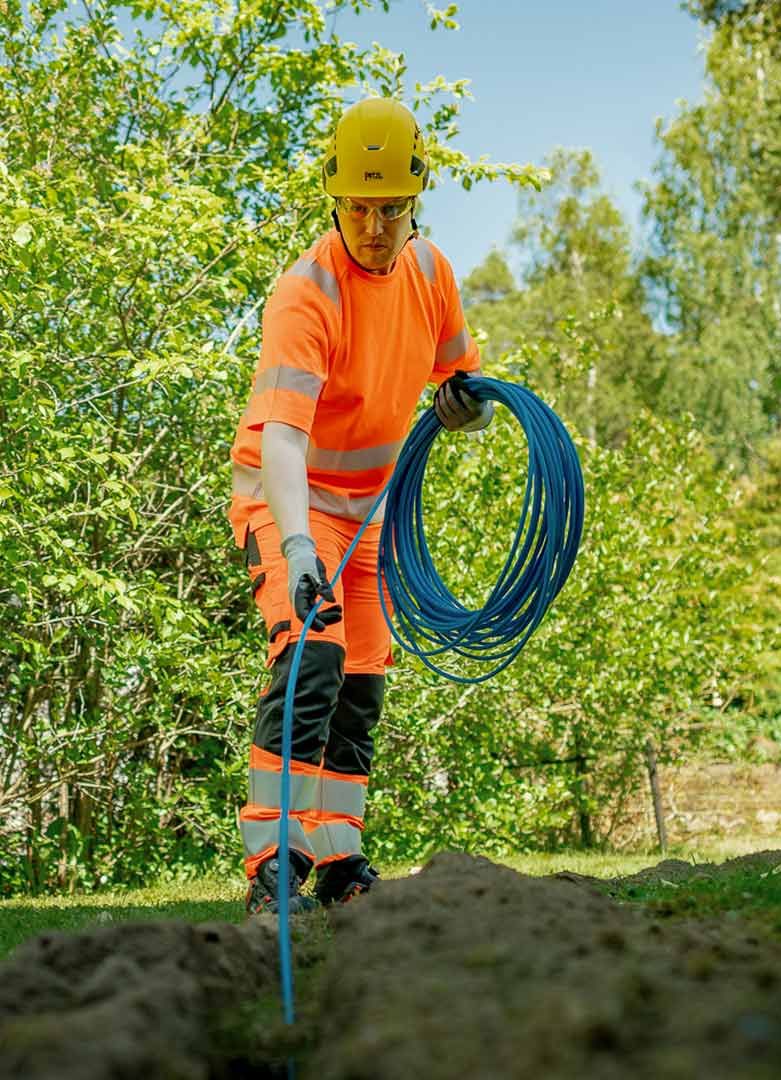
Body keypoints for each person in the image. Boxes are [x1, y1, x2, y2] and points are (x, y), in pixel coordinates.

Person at [226, 97, 492, 916]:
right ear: (334, 199)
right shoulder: (306, 295)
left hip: (368, 513)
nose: (374, 226)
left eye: (391, 209)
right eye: (358, 208)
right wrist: (300, 550)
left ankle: (339, 862)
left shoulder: (432, 274)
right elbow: (280, 440)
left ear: (417, 200)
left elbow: (468, 389)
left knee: (364, 684)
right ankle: (273, 866)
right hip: (289, 501)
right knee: (313, 664)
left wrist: (464, 408)